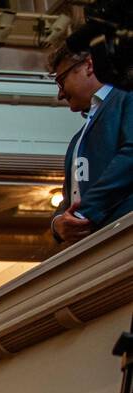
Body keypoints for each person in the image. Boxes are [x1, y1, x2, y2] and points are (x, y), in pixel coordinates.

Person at [50, 46, 133, 245]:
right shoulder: (78, 139)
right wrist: (58, 224)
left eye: (61, 81)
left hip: (124, 236)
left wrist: (83, 214)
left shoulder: (127, 96)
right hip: (93, 245)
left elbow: (130, 157)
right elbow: (71, 197)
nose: (60, 94)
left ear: (88, 65)